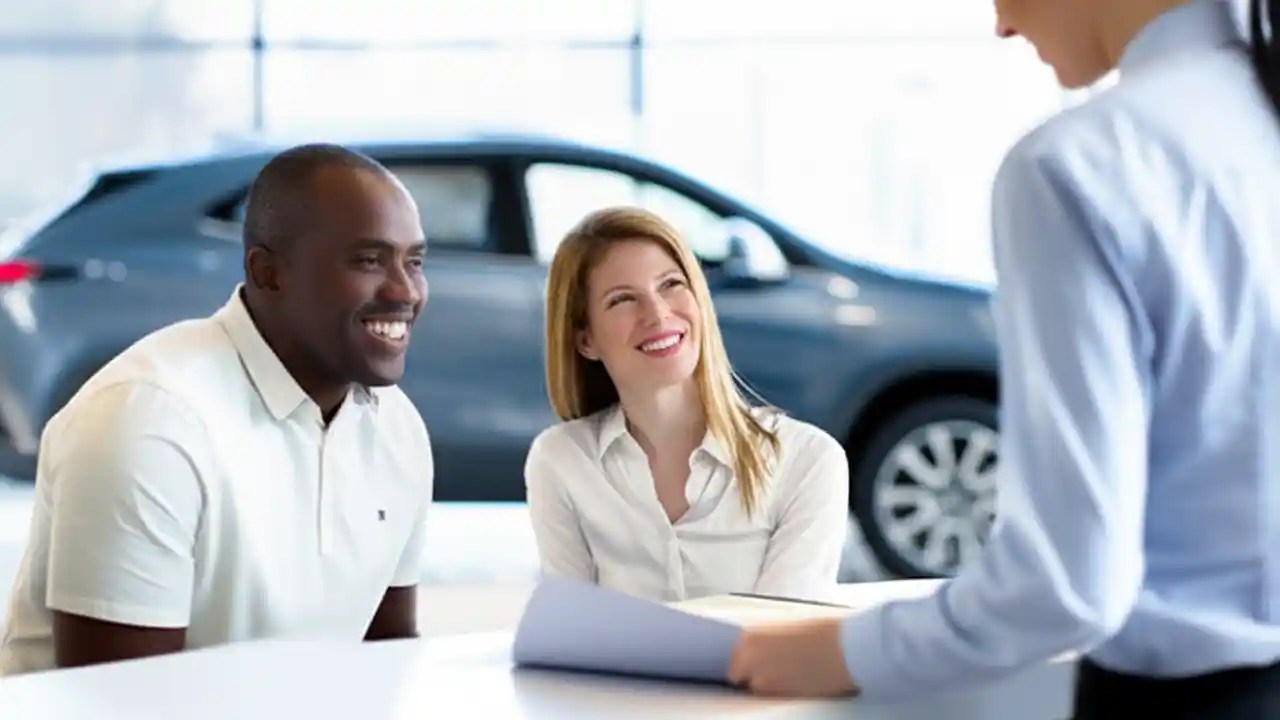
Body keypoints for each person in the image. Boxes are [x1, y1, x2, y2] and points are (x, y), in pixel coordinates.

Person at [727, 0, 1280, 716]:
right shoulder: (1251, 116)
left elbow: (1065, 589)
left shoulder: (1084, 164)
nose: (1002, 24)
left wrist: (833, 652)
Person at [0, 143, 434, 675]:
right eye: (368, 260)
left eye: (414, 261)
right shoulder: (147, 422)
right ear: (269, 273)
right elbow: (118, 708)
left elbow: (383, 672)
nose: (405, 291)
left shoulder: (398, 427)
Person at [524, 207, 849, 603]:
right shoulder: (561, 460)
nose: (658, 313)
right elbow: (569, 632)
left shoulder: (808, 461)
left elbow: (783, 636)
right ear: (585, 340)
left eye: (671, 284)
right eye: (623, 299)